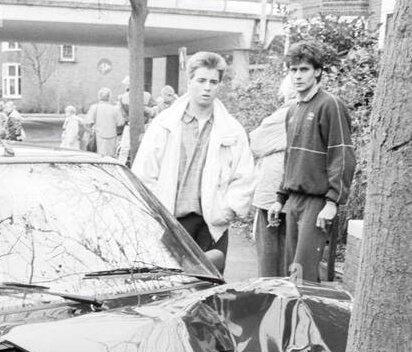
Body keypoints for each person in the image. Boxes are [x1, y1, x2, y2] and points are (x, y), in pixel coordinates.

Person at [131, 51, 255, 268]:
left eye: (213, 82)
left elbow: (244, 176)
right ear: (189, 81)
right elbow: (144, 173)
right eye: (201, 80)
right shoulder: (164, 125)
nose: (207, 87)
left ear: (219, 85)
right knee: (170, 288)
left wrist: (228, 210)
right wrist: (156, 215)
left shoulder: (231, 129)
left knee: (210, 290)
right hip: (171, 223)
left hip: (212, 225)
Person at [267, 41, 356, 283]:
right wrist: (280, 198)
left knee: (304, 273)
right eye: (293, 70)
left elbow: (342, 154)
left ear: (317, 71)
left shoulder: (330, 104)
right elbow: (291, 158)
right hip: (294, 200)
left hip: (317, 203)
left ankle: (309, 321)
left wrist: (333, 202)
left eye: (303, 69)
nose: (297, 76)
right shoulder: (293, 109)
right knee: (291, 272)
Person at [249, 75, 298, 276]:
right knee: (290, 251)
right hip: (295, 192)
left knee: (269, 250)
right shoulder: (311, 111)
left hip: (272, 191)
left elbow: (255, 143)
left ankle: (270, 293)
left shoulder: (284, 113)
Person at [84, 88, 121, 157]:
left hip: (98, 136)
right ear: (109, 97)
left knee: (97, 157)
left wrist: (90, 133)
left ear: (99, 96)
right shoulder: (115, 109)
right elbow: (120, 123)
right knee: (110, 157)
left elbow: (88, 122)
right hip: (112, 136)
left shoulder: (94, 107)